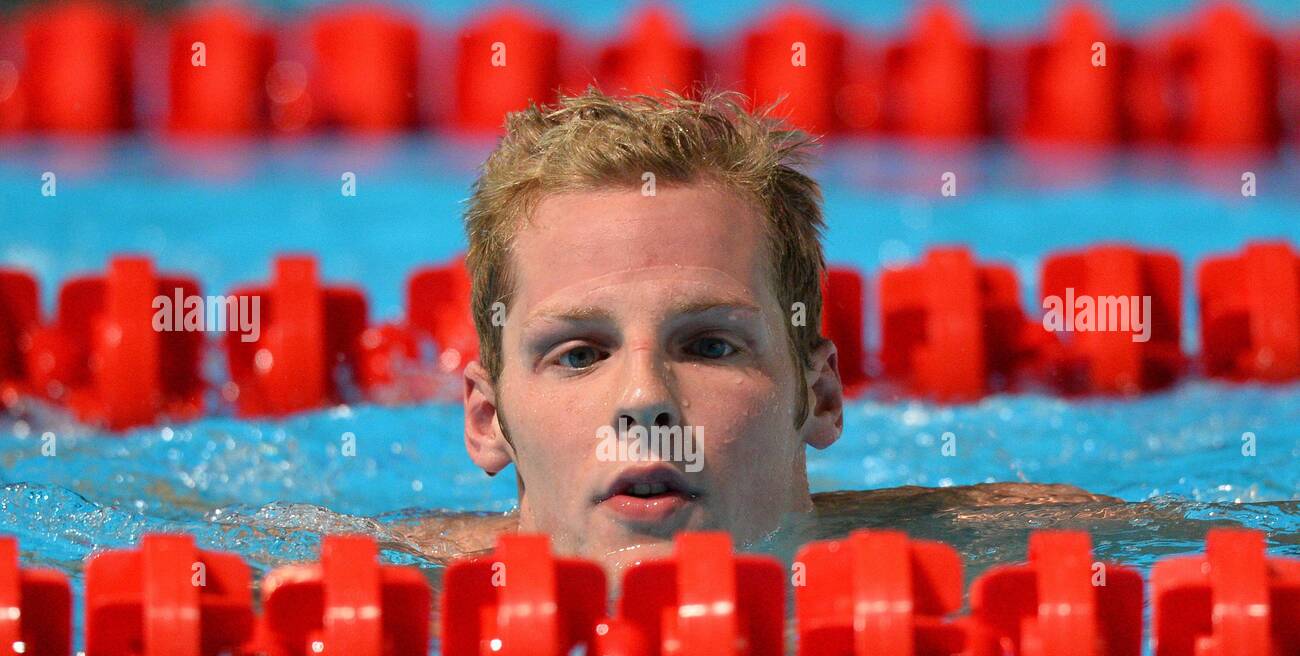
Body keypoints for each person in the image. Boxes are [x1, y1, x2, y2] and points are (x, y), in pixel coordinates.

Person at [393, 87, 1104, 577]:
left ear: (820, 395)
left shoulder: (1024, 553)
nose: (644, 398)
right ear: (487, 419)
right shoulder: (371, 595)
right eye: (579, 354)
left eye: (708, 346)